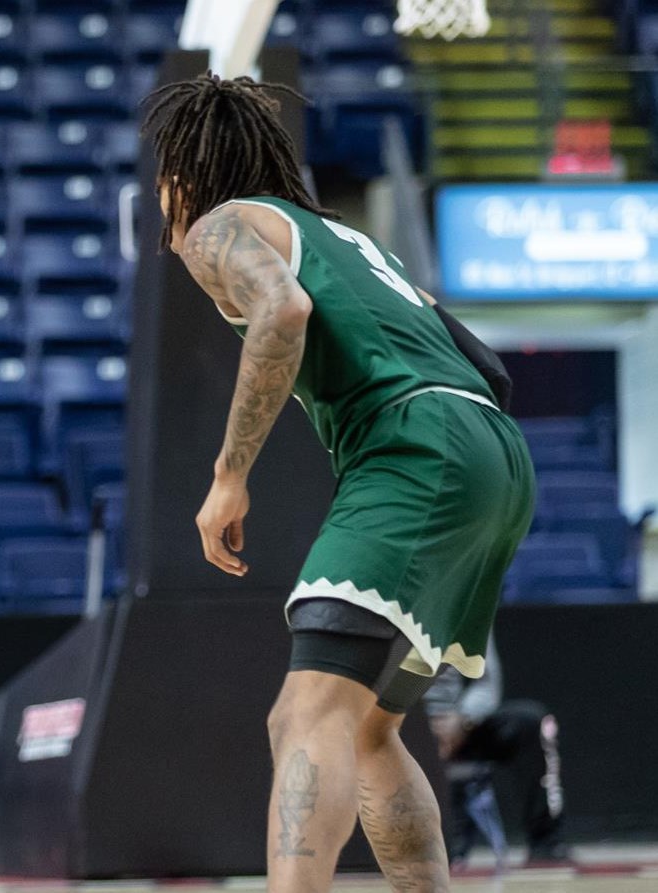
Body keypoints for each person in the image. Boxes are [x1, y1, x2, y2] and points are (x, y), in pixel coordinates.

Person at [144, 73, 534, 892]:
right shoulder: (349, 240)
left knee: (304, 713)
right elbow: (485, 364)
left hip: (416, 447)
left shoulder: (222, 225)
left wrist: (229, 475)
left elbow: (282, 312)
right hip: (496, 459)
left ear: (182, 176)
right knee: (368, 730)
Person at [425, 644, 568, 867]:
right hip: (393, 722)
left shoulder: (467, 618)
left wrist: (463, 719)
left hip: (458, 724)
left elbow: (486, 682)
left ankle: (547, 845)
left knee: (533, 723)